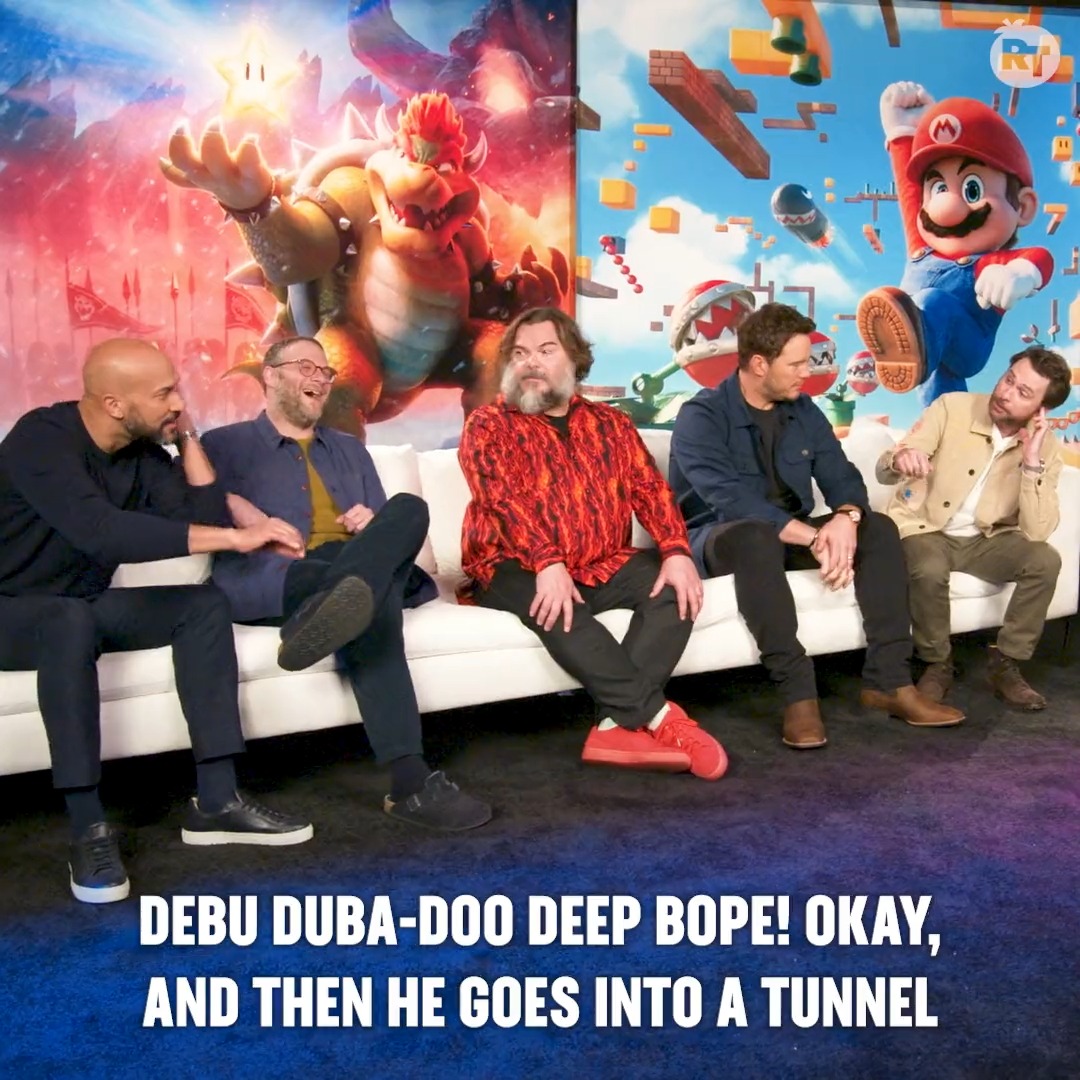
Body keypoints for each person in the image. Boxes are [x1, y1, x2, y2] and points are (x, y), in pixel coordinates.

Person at [0, 339, 313, 906]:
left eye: (177, 390)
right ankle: (88, 828)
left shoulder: (140, 455)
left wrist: (185, 437)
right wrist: (238, 536)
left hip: (79, 605)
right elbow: (102, 533)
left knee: (201, 605)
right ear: (114, 404)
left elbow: (204, 516)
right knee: (67, 620)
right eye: (164, 393)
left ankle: (217, 800)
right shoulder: (40, 439)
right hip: (12, 612)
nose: (177, 400)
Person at [201, 336, 491, 832]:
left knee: (408, 510)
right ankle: (410, 783)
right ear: (269, 375)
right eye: (305, 367)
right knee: (369, 595)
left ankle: (329, 609)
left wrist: (370, 521)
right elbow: (182, 497)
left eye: (325, 372)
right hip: (286, 574)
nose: (320, 378)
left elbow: (385, 532)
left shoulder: (351, 449)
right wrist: (236, 507)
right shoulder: (223, 445)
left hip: (354, 564)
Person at [669, 302, 964, 750]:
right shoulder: (701, 416)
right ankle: (798, 695)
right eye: (796, 364)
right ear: (758, 364)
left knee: (880, 529)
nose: (807, 373)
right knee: (754, 535)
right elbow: (730, 501)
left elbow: (841, 476)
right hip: (721, 537)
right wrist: (814, 536)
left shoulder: (804, 410)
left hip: (793, 534)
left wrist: (847, 518)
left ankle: (890, 683)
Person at [458, 306, 727, 780]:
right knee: (559, 607)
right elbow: (501, 500)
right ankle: (661, 717)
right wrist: (547, 563)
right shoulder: (488, 424)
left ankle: (613, 728)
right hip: (511, 563)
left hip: (601, 560)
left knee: (677, 588)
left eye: (546, 350)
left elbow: (650, 490)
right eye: (520, 353)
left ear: (574, 360)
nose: (531, 362)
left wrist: (676, 550)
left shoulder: (612, 425)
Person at [876, 345, 1070, 709]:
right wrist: (903, 457)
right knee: (929, 567)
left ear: (1040, 411)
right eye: (1008, 379)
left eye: (1023, 392)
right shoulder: (951, 407)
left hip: (986, 539)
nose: (1006, 393)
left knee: (1045, 560)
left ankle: (1005, 663)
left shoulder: (1045, 447)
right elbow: (890, 464)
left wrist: (1031, 463)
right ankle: (937, 663)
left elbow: (1038, 531)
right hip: (927, 528)